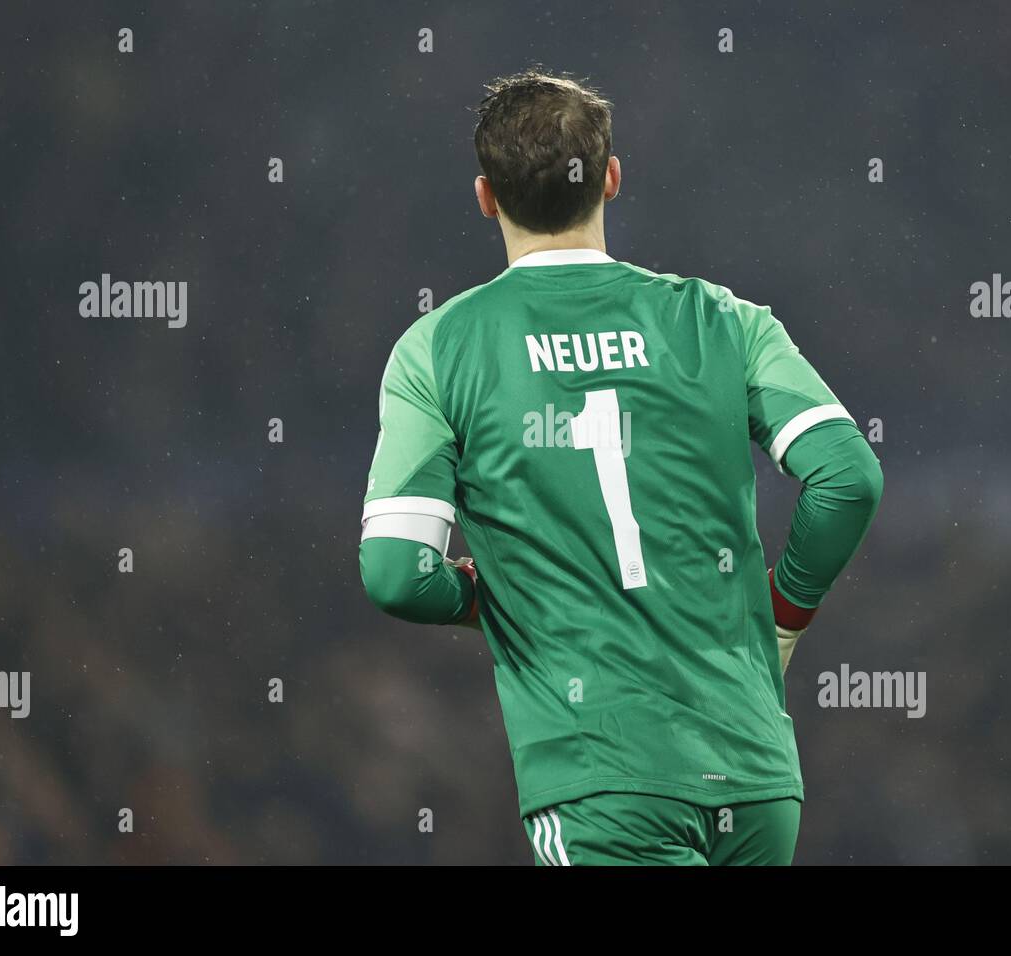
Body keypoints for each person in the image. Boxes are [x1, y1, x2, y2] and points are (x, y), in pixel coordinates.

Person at [359, 69, 882, 865]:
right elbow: (848, 479)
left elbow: (397, 573)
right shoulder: (722, 320)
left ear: (485, 197)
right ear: (610, 177)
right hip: (754, 778)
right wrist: (785, 611)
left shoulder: (437, 350)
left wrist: (493, 599)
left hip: (602, 780)